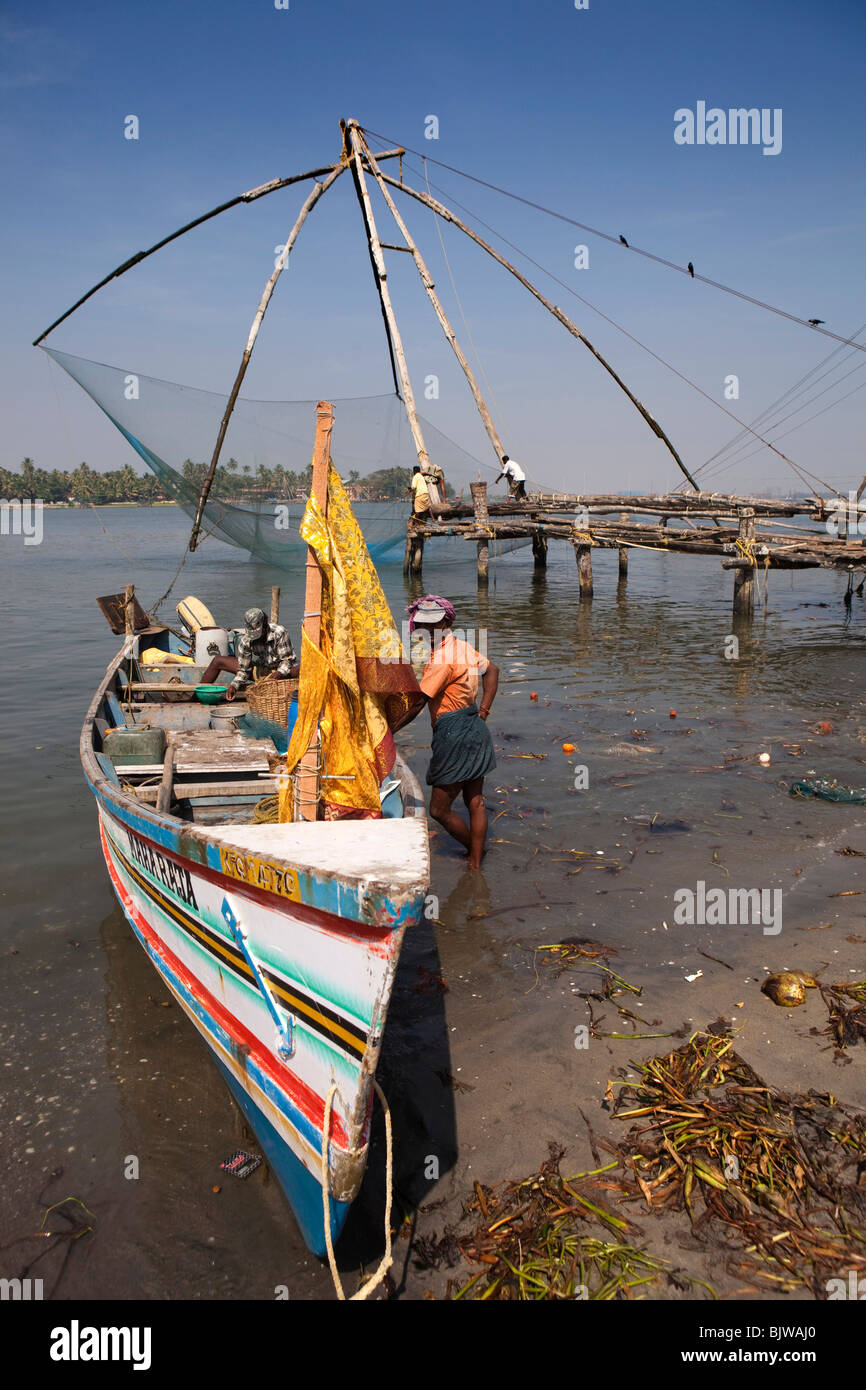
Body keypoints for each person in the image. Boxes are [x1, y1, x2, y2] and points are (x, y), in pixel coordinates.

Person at [392, 595, 499, 871]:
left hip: (454, 734)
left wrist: (391, 730)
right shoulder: (463, 647)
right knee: (475, 800)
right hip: (474, 726)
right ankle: (475, 864)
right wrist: (483, 711)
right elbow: (492, 671)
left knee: (438, 809)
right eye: (425, 626)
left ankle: (475, 851)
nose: (429, 631)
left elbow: (419, 701)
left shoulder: (441, 659)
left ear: (446, 622)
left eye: (433, 625)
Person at [200, 607, 299, 702]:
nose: (255, 638)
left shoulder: (279, 632)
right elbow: (243, 669)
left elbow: (288, 660)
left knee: (298, 670)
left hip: (282, 673)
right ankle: (198, 694)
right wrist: (234, 685)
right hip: (262, 670)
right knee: (218, 661)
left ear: (265, 626)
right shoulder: (246, 640)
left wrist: (279, 673)